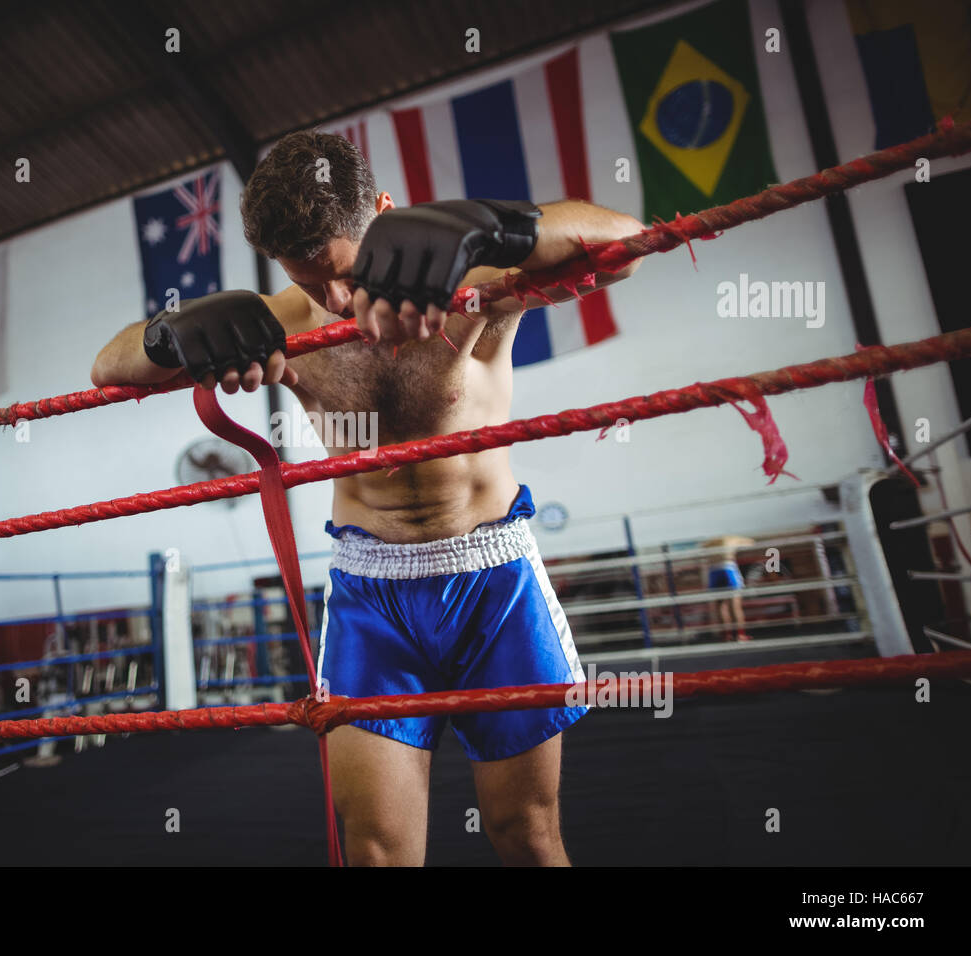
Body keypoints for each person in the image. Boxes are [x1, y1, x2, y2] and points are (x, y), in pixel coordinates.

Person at [92, 131, 644, 865]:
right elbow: (108, 367)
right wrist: (171, 332)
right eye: (310, 280)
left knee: (527, 837)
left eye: (344, 273)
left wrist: (489, 223)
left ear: (386, 214)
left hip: (495, 579)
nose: (336, 299)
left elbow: (631, 242)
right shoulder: (281, 321)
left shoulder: (476, 275)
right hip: (372, 594)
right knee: (377, 851)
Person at [704, 534, 755, 642]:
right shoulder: (732, 538)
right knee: (734, 606)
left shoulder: (708, 542)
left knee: (720, 607)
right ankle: (740, 635)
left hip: (713, 571)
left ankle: (727, 635)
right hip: (728, 568)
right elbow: (751, 543)